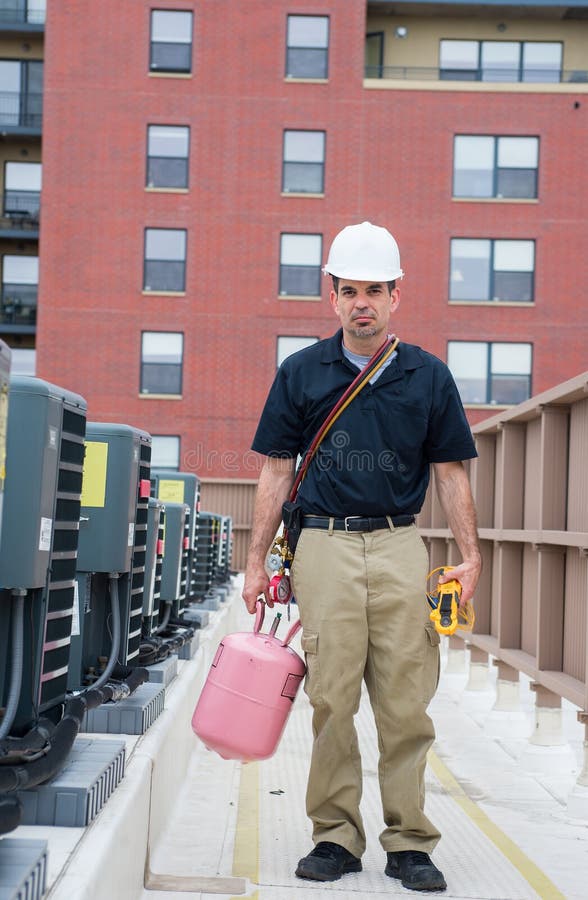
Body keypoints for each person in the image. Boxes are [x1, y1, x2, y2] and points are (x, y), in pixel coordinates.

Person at [242, 221, 481, 893]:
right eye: (350, 291)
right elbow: (274, 473)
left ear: (397, 295)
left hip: (401, 543)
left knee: (407, 703)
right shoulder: (301, 372)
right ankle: (335, 837)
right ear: (333, 295)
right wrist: (256, 563)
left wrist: (471, 557)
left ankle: (409, 842)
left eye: (375, 290)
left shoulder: (428, 376)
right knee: (331, 698)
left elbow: (452, 473)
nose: (362, 304)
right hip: (323, 545)